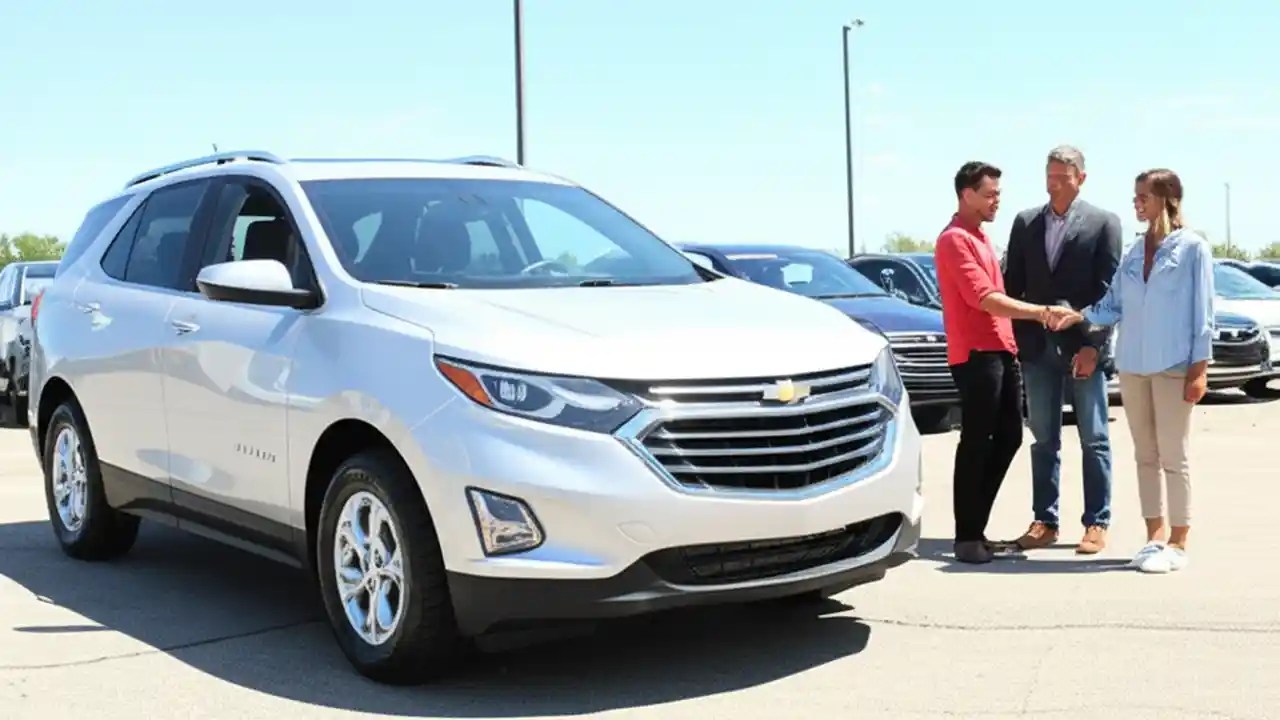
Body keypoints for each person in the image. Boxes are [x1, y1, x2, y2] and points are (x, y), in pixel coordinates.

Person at [1049, 168, 1213, 573]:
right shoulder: (1136, 251)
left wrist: (1199, 368)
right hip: (1134, 367)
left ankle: (1179, 540)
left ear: (1167, 199)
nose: (1137, 203)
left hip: (1175, 366)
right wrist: (1076, 317)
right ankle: (1153, 537)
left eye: (1144, 197)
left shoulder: (1193, 249)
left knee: (1174, 455)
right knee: (1145, 455)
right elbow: (1113, 305)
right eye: (1135, 197)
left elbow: (1203, 315)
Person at [934, 161, 1075, 564]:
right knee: (977, 441)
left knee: (1010, 436)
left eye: (998, 193)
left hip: (1001, 350)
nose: (997, 200)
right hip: (975, 355)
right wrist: (1040, 312)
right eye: (989, 193)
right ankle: (967, 537)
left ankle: (975, 528)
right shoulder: (955, 240)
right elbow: (985, 299)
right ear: (966, 194)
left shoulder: (980, 238)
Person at [1003, 145, 1123, 555]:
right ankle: (1045, 521)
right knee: (1043, 440)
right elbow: (1011, 288)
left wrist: (1093, 344)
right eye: (1049, 175)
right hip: (1037, 350)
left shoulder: (1104, 223)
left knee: (1094, 438)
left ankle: (1096, 523)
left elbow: (1110, 294)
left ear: (1081, 178)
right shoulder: (1025, 223)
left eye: (1063, 177)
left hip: (1083, 350)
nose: (1054, 184)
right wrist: (1021, 339)